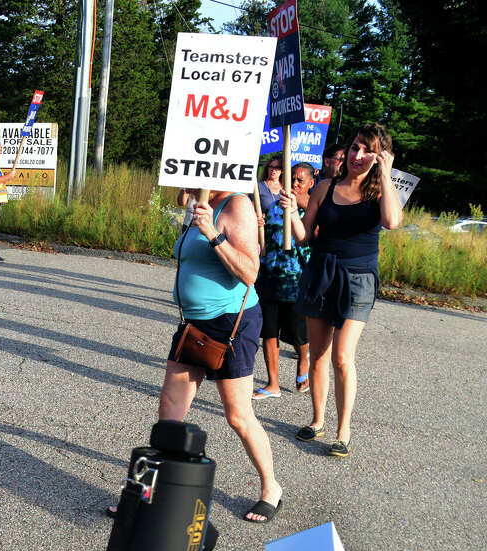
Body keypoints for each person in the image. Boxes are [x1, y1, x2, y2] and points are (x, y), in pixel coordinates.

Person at [162, 189, 282, 523]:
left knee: (238, 416)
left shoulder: (237, 205)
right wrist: (193, 209)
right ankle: (153, 493)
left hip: (230, 324)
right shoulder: (199, 202)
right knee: (170, 414)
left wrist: (212, 233)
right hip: (193, 323)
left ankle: (271, 488)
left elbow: (250, 272)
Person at [295, 123, 402, 458]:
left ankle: (343, 431)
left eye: (368, 150)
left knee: (342, 357)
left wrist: (386, 174)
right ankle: (317, 420)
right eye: (355, 147)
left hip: (358, 279)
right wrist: (290, 212)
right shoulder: (325, 187)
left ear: (380, 157)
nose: (357, 155)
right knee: (318, 353)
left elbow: (392, 222)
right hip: (321, 273)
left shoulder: (381, 191)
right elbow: (304, 236)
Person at [253, 162, 314, 400]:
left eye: (300, 180)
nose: (295, 184)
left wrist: (298, 209)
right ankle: (273, 383)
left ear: (310, 183)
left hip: (296, 282)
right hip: (269, 277)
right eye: (291, 179)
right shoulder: (275, 207)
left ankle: (303, 361)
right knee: (269, 332)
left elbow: (314, 240)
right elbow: (263, 238)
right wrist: (259, 225)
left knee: (299, 334)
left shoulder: (312, 210)